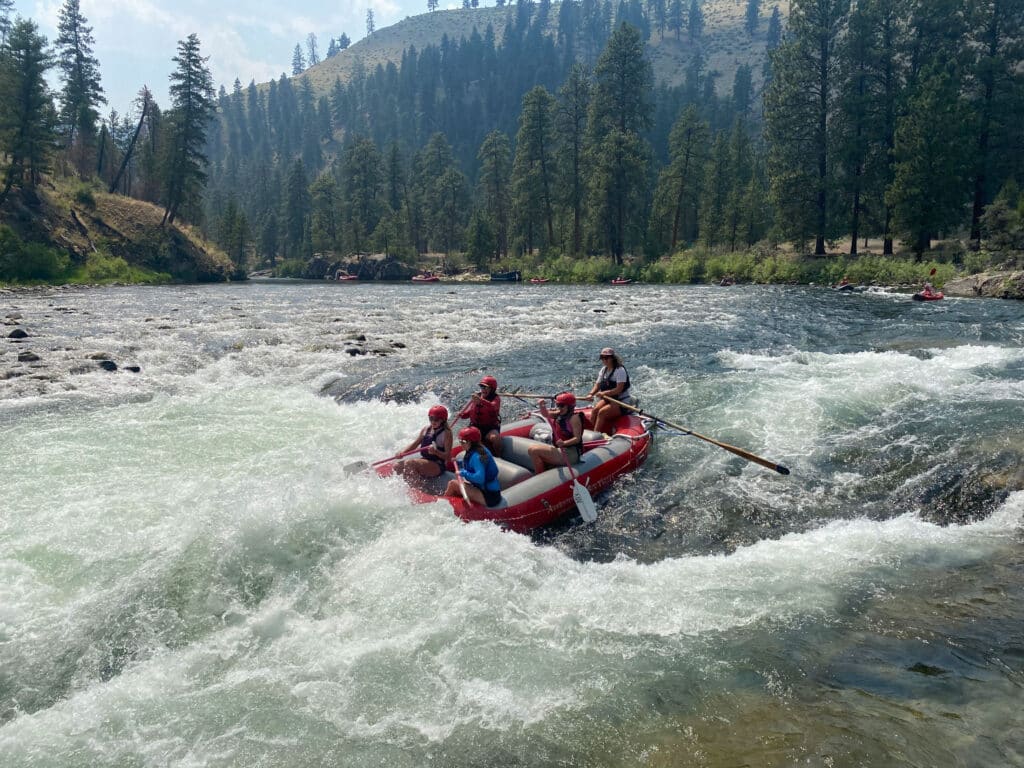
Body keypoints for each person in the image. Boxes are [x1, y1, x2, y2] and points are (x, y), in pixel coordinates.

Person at [527, 392, 585, 474]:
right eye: (558, 405)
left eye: (562, 405)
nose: (559, 408)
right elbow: (545, 414)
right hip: (561, 449)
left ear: (570, 406)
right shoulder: (559, 414)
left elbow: (577, 438)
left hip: (571, 453)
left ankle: (540, 475)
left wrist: (564, 443)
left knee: (533, 450)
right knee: (532, 449)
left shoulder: (574, 418)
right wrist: (542, 406)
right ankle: (543, 472)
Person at [445, 426, 502, 507]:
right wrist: (459, 463)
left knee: (452, 484)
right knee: (455, 485)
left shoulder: (476, 456)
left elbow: (479, 478)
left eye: (463, 441)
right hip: (484, 489)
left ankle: (443, 504)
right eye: (460, 440)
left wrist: (463, 473)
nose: (460, 443)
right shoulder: (478, 450)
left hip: (489, 496)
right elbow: (471, 465)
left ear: (470, 442)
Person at [396, 405, 452, 485]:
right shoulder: (426, 429)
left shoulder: (446, 433)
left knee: (409, 463)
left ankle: (418, 487)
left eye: (436, 419)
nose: (433, 421)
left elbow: (448, 457)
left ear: (443, 420)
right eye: (431, 418)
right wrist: (402, 452)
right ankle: (407, 486)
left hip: (438, 464)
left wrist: (436, 452)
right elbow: (415, 444)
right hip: (425, 460)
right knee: (397, 466)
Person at [584, 347, 633, 435]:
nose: (604, 360)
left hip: (621, 401)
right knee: (595, 410)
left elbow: (619, 389)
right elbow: (597, 385)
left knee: (602, 412)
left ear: (612, 358)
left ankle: (594, 435)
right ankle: (588, 433)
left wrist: (603, 393)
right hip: (609, 399)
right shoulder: (603, 370)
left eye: (606, 358)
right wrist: (591, 394)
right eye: (602, 358)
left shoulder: (620, 370)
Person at [458, 375, 502, 458]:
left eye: (485, 387)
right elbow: (471, 412)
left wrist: (481, 401)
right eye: (481, 387)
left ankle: (499, 456)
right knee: (468, 440)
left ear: (492, 389)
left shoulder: (496, 399)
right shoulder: (477, 397)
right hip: (476, 428)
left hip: (490, 428)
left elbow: (493, 407)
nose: (483, 389)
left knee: (495, 438)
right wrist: (462, 415)